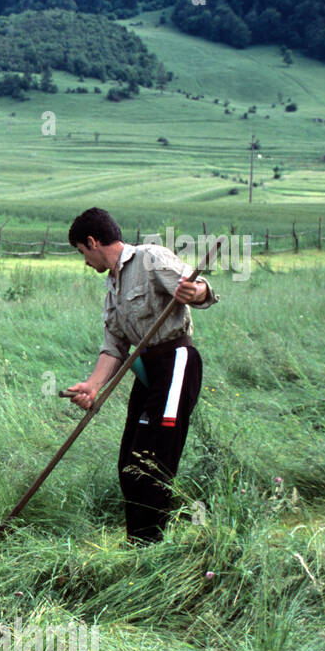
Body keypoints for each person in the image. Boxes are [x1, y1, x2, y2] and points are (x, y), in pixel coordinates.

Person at [63, 208, 217, 543]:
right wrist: (92, 387)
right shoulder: (112, 285)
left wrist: (197, 292)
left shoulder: (150, 257)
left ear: (92, 242)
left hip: (176, 362)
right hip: (147, 371)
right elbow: (114, 347)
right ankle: (138, 543)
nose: (85, 262)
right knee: (130, 463)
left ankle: (153, 546)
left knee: (155, 459)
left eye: (82, 252)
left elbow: (199, 286)